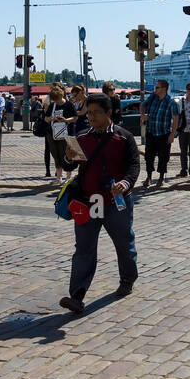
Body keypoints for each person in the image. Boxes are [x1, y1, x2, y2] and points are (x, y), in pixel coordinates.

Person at [56, 94, 141, 314]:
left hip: (116, 202)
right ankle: (77, 296)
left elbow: (133, 167)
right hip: (88, 201)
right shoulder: (82, 137)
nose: (91, 117)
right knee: (83, 249)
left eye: (96, 113)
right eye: (89, 112)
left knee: (124, 243)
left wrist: (125, 182)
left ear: (109, 113)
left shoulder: (124, 138)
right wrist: (67, 158)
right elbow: (70, 165)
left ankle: (127, 279)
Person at [139, 79, 178, 188]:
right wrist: (143, 116)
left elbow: (175, 119)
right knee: (148, 156)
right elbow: (142, 105)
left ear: (164, 89)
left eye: (157, 87)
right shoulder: (153, 97)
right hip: (151, 132)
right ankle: (149, 177)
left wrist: (172, 134)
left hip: (164, 133)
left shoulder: (171, 102)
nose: (155, 89)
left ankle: (161, 178)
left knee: (163, 157)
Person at [43, 84, 75, 184]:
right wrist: (51, 118)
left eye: (57, 98)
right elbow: (46, 118)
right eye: (54, 99)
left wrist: (65, 120)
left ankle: (68, 176)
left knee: (66, 154)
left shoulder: (69, 104)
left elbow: (75, 117)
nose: (56, 101)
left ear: (61, 95)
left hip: (66, 133)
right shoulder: (52, 105)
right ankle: (59, 177)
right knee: (56, 154)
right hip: (52, 133)